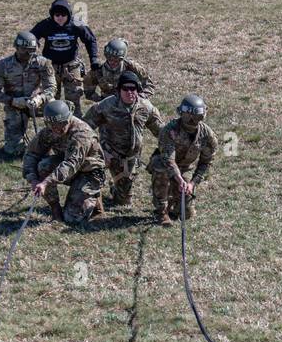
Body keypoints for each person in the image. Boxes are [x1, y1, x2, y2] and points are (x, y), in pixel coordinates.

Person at [83, 72, 165, 209]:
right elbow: (84, 130)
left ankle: (116, 188)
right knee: (90, 177)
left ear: (138, 90)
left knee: (123, 201)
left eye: (133, 89)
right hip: (106, 153)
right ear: (119, 90)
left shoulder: (146, 108)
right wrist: (99, 150)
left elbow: (161, 132)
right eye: (125, 89)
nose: (129, 92)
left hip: (129, 158)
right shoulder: (105, 106)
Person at [22, 100, 106, 226]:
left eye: (62, 124)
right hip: (67, 169)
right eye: (53, 125)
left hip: (90, 173)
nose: (58, 129)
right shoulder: (49, 130)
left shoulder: (82, 134)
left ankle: (94, 197)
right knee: (43, 166)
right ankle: (56, 211)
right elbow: (32, 154)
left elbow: (71, 164)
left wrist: (46, 182)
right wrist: (33, 179)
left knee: (72, 219)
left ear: (68, 119)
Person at [148, 94, 218, 227]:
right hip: (165, 165)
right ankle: (161, 210)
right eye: (188, 115)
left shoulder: (208, 136)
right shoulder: (169, 130)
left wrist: (192, 183)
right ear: (181, 113)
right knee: (160, 167)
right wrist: (179, 179)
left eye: (196, 115)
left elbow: (206, 163)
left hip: (186, 169)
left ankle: (174, 201)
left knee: (186, 214)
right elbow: (168, 158)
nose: (192, 119)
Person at [0, 32, 54, 161]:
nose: (28, 54)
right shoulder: (2, 66)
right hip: (15, 105)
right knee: (12, 150)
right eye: (24, 50)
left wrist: (40, 99)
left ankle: (54, 139)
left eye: (31, 51)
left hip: (37, 103)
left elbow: (51, 87)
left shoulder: (44, 64)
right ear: (16, 48)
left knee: (53, 106)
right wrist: (13, 101)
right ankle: (21, 145)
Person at [30, 0, 99, 117]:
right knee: (50, 102)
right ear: (52, 15)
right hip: (50, 68)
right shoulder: (46, 25)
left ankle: (75, 130)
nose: (60, 17)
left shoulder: (76, 24)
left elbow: (90, 40)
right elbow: (30, 38)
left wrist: (94, 60)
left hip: (71, 67)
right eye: (57, 15)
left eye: (63, 14)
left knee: (73, 102)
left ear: (69, 14)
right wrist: (33, 53)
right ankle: (52, 130)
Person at [83, 38, 156, 103]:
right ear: (106, 56)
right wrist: (102, 102)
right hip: (109, 107)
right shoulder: (98, 70)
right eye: (110, 59)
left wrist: (139, 98)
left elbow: (149, 84)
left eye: (118, 60)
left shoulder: (132, 67)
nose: (113, 62)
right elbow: (88, 90)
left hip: (131, 103)